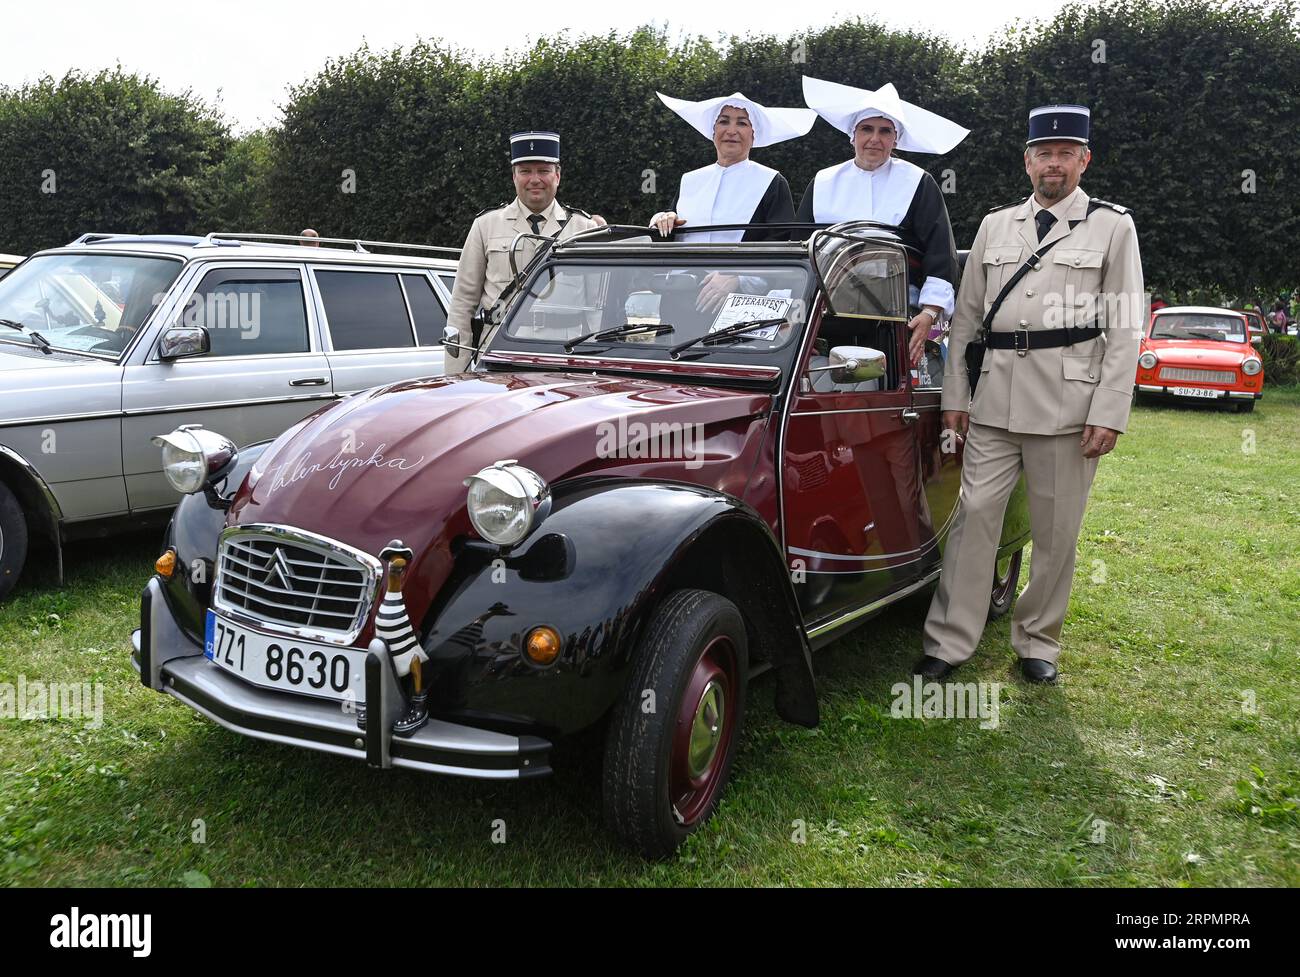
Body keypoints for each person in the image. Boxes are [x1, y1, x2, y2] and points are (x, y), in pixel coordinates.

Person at [915, 103, 1144, 685]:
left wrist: (1110, 410)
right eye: (1044, 153)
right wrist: (955, 400)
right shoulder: (996, 225)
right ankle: (949, 640)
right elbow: (965, 324)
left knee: (1056, 530)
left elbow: (1124, 326)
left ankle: (1038, 641)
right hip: (993, 403)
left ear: (1084, 160)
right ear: (1027, 161)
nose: (1055, 164)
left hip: (1069, 406)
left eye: (1067, 153)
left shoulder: (1112, 226)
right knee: (972, 521)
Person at [798, 76, 968, 367]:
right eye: (866, 129)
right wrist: (798, 324)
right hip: (827, 315)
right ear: (852, 135)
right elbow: (799, 249)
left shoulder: (919, 182)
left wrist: (929, 313)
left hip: (898, 315)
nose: (874, 138)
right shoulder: (823, 181)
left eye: (884, 131)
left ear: (896, 139)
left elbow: (940, 253)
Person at [444, 131, 602, 373]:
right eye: (525, 171)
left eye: (543, 170)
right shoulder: (486, 225)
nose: (534, 179)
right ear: (514, 176)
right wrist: (457, 372)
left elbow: (597, 305)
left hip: (563, 355)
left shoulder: (584, 228)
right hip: (499, 352)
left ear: (557, 175)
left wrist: (595, 365)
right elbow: (462, 304)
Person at [648, 91, 815, 312]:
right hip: (678, 300)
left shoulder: (772, 182)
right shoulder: (690, 180)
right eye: (724, 121)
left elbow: (781, 249)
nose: (731, 131)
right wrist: (662, 218)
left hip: (738, 305)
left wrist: (739, 278)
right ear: (713, 130)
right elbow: (668, 235)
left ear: (754, 134)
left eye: (742, 123)